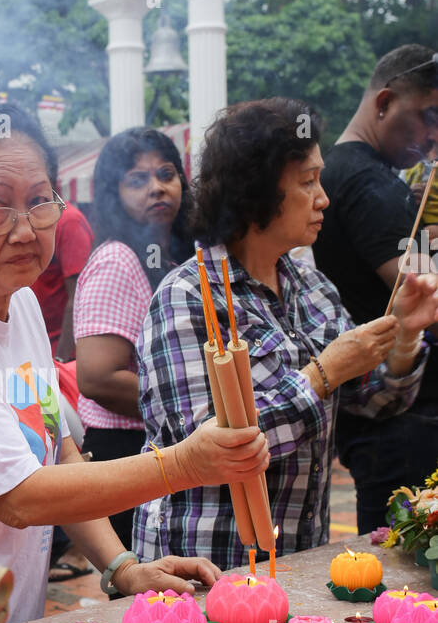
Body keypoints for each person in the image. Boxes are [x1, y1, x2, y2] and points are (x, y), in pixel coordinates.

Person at [0, 101, 270, 623]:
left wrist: (123, 567)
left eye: (39, 202)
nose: (26, 229)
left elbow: (58, 451)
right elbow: (19, 498)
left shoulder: (21, 301)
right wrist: (185, 464)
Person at [134, 98, 438, 570]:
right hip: (204, 567)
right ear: (255, 192)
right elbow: (213, 449)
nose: (324, 198)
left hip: (298, 561)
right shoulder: (188, 297)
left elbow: (376, 403)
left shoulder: (313, 287)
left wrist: (403, 338)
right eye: (307, 181)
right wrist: (325, 371)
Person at [314, 45, 438, 530]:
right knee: (403, 585)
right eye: (428, 116)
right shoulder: (369, 182)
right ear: (384, 103)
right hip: (403, 422)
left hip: (390, 417)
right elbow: (427, 287)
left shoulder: (370, 177)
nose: (432, 135)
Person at [73, 127, 192, 551]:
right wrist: (190, 404)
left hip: (156, 446)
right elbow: (96, 378)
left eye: (166, 174)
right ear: (114, 192)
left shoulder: (171, 256)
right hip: (122, 451)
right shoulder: (116, 260)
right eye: (138, 180)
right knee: (143, 593)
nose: (157, 188)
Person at [30, 193, 93, 361]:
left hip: (62, 353)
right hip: (36, 348)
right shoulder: (25, 220)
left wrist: (60, 361)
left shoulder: (69, 221)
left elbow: (79, 297)